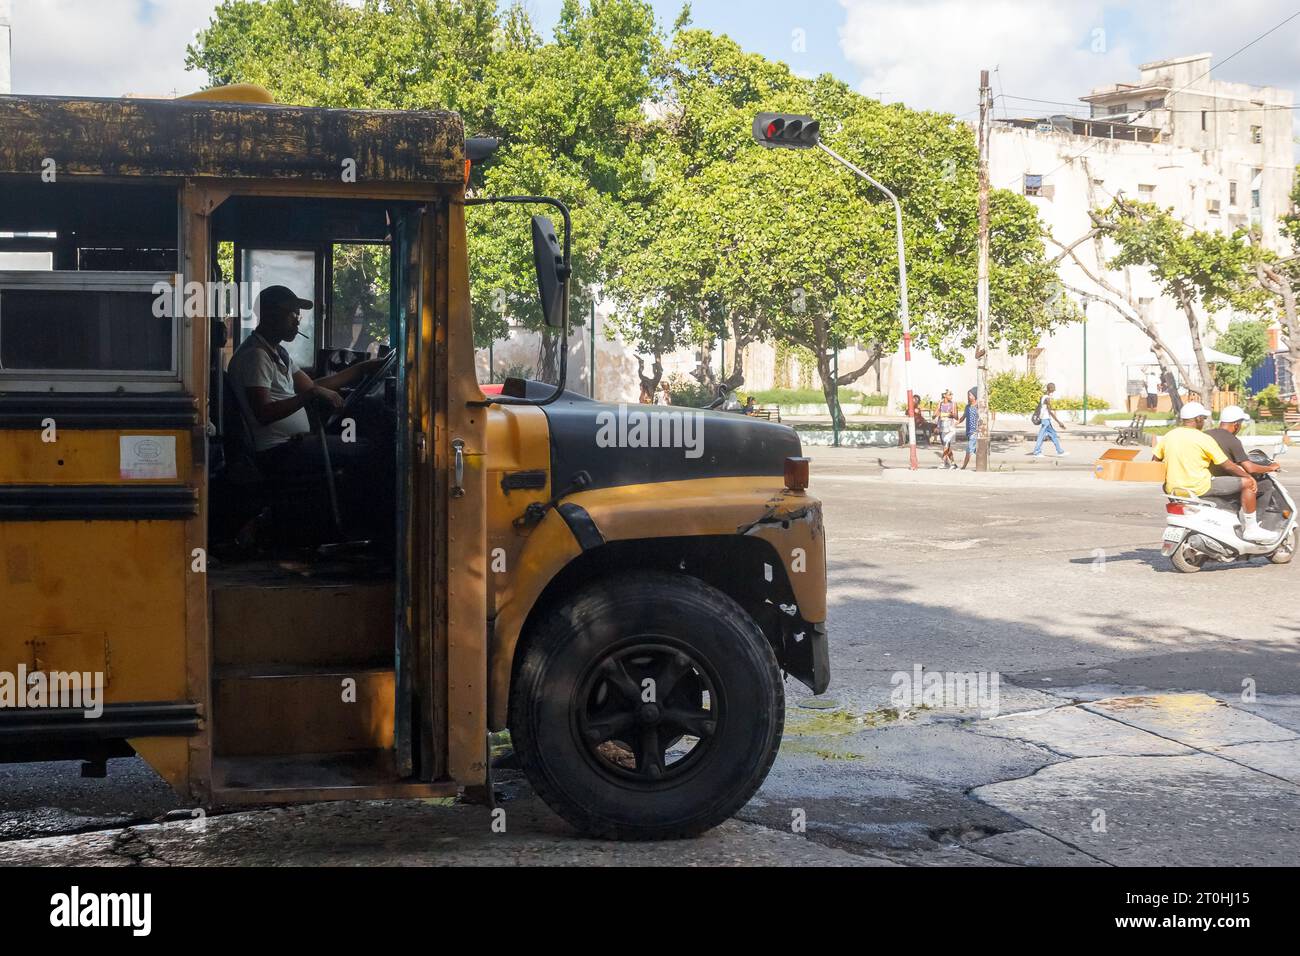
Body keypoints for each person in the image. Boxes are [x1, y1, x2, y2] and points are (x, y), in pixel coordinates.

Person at [227, 285, 389, 479]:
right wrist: (310, 395)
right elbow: (264, 412)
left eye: (299, 316)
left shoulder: (277, 352)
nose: (297, 322)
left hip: (293, 443)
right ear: (271, 315)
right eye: (292, 315)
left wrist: (362, 369)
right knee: (366, 449)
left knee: (356, 445)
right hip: (277, 453)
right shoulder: (256, 356)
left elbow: (313, 386)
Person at [1153, 402, 1274, 544]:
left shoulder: (1169, 436)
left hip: (1173, 489)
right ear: (1198, 419)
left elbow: (1155, 461)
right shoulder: (1203, 438)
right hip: (1199, 486)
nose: (1204, 422)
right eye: (1203, 418)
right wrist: (1247, 476)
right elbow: (1227, 465)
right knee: (1247, 483)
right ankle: (1251, 529)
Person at [1205, 404, 1283, 528]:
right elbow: (1249, 467)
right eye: (1240, 424)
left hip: (1207, 480)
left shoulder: (1206, 434)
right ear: (1236, 424)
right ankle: (1254, 525)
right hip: (1224, 483)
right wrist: (1270, 467)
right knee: (1266, 485)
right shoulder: (1232, 440)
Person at [1030, 382, 1068, 458]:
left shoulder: (1043, 396)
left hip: (1046, 420)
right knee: (1043, 436)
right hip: (1045, 420)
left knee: (1053, 435)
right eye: (1053, 388)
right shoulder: (1047, 398)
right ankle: (1037, 452)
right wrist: (1059, 422)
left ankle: (1059, 451)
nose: (1055, 389)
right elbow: (1050, 412)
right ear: (1050, 388)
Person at [936, 389, 957, 468]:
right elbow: (937, 415)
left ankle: (943, 462)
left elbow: (956, 416)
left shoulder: (953, 404)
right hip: (942, 426)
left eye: (952, 394)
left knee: (946, 444)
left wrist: (951, 415)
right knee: (946, 446)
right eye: (949, 394)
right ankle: (952, 463)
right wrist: (937, 426)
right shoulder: (940, 404)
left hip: (950, 427)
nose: (951, 396)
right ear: (944, 395)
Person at [961, 387, 980, 470]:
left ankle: (963, 467)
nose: (969, 397)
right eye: (968, 395)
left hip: (975, 432)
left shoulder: (978, 407)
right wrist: (957, 422)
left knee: (969, 450)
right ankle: (982, 464)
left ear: (975, 396)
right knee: (976, 450)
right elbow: (964, 416)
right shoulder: (967, 407)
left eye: (970, 395)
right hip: (969, 432)